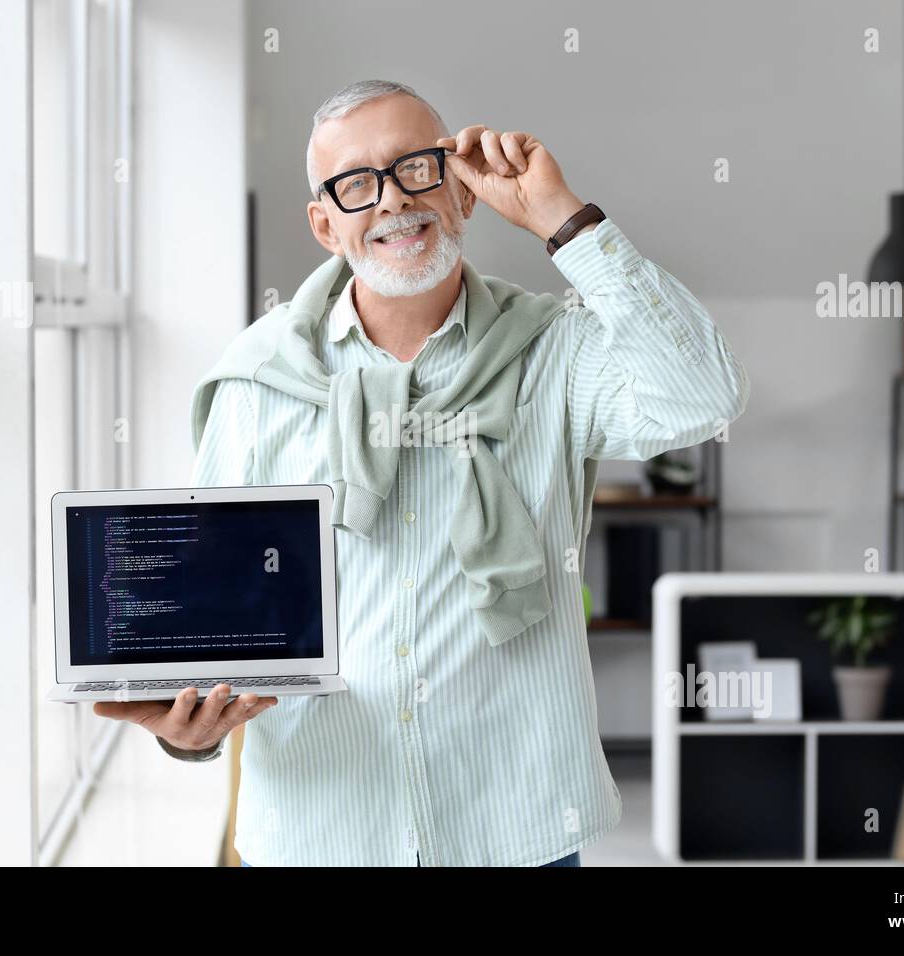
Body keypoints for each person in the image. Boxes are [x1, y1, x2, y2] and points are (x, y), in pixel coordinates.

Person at [95, 79, 750, 866]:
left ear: (462, 192)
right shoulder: (256, 383)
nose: (394, 201)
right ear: (324, 224)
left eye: (418, 167)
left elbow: (704, 399)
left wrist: (561, 219)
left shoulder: (554, 351)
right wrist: (188, 736)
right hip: (323, 833)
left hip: (518, 831)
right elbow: (216, 620)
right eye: (356, 184)